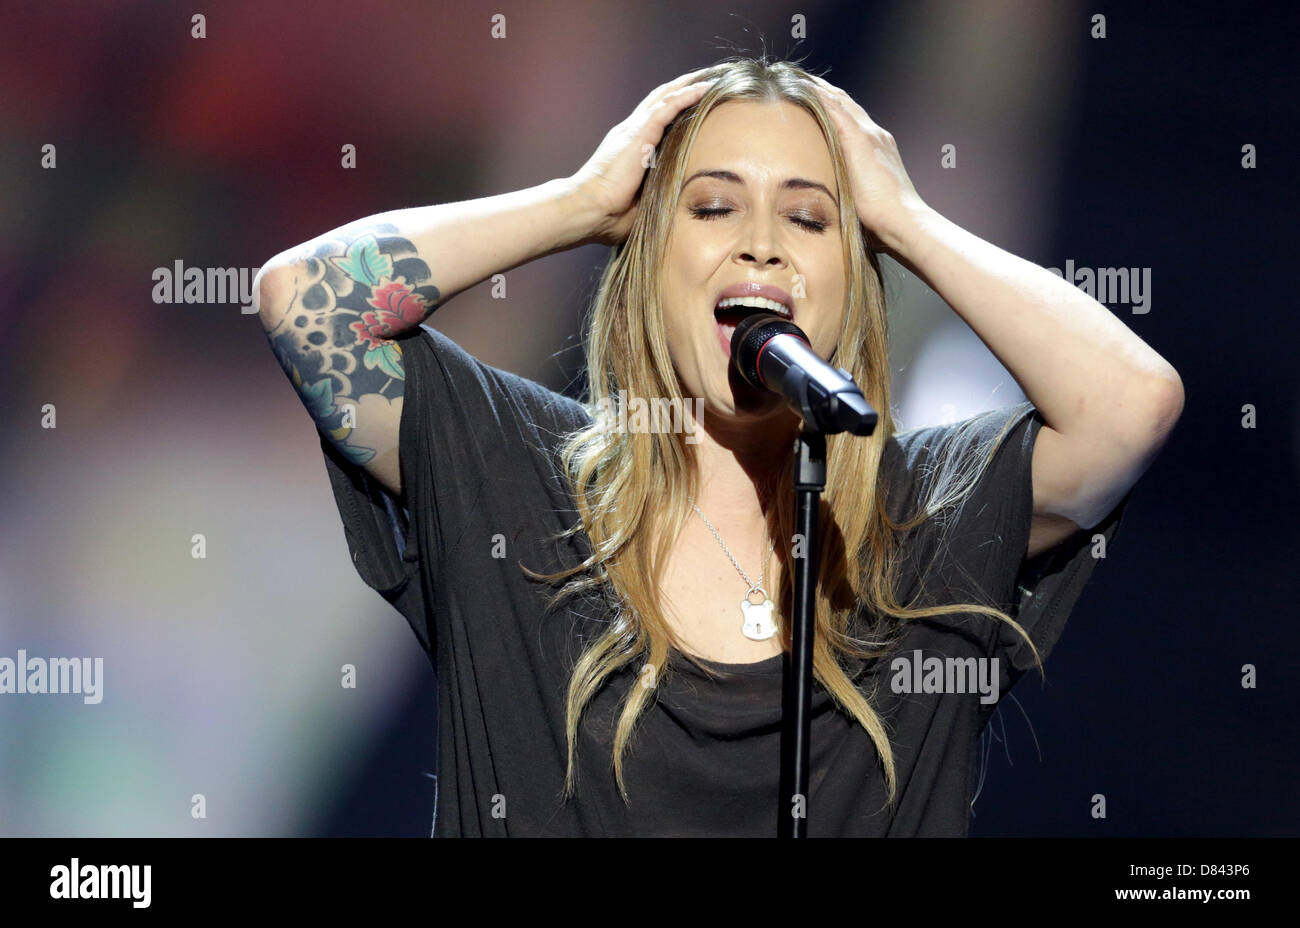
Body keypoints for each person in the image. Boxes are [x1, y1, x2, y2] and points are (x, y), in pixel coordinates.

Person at [253, 56, 1183, 837]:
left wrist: (905, 220)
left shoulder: (926, 523)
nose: (762, 248)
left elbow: (1131, 404)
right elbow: (306, 299)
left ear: (854, 283)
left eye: (811, 218)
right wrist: (579, 203)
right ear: (648, 264)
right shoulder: (517, 474)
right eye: (711, 209)